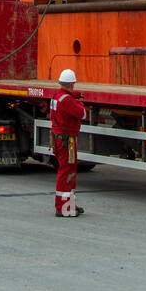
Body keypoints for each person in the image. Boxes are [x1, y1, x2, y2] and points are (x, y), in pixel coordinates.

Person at [51, 68, 87, 217]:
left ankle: (69, 204)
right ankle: (63, 208)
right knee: (67, 172)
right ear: (72, 84)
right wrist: (79, 100)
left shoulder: (57, 96)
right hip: (67, 141)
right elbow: (82, 114)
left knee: (68, 172)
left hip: (60, 138)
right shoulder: (67, 100)